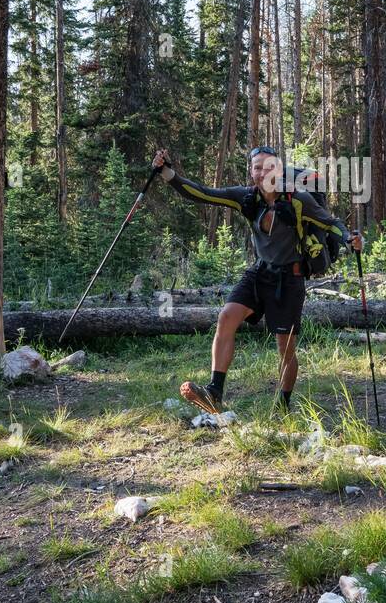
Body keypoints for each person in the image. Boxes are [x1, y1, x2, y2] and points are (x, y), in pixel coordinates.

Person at [151, 146, 364, 414]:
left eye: (268, 166)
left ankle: (283, 405)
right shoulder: (246, 197)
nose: (262, 172)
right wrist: (167, 173)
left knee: (285, 348)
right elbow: (202, 193)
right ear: (251, 171)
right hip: (260, 271)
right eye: (257, 167)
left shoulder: (298, 200)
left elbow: (331, 223)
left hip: (291, 278)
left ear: (279, 170)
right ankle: (215, 392)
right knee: (227, 316)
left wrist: (350, 239)